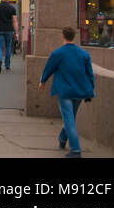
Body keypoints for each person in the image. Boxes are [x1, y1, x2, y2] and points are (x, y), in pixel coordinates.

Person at [39, 26, 95, 158]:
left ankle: (75, 150)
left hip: (64, 91)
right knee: (70, 118)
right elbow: (90, 74)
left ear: (62, 36)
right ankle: (62, 139)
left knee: (69, 120)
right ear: (74, 36)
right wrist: (90, 90)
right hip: (80, 91)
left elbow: (49, 68)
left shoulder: (57, 53)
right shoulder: (84, 54)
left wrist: (43, 81)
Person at [0, 0, 18, 72]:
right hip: (9, 30)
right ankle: (7, 65)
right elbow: (15, 21)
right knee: (8, 47)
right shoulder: (12, 8)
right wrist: (16, 33)